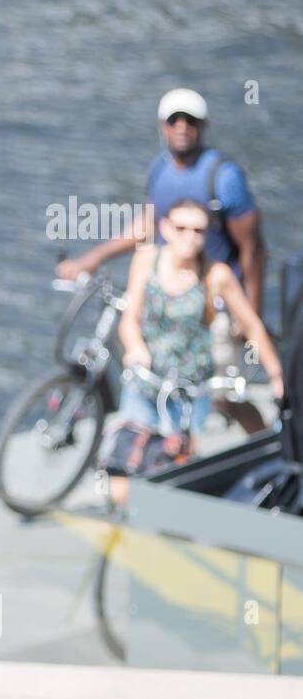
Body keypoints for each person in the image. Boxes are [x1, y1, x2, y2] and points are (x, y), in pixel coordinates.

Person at [58, 87, 269, 434]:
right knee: (154, 377)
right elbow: (147, 224)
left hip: (212, 304)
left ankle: (264, 444)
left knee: (221, 395)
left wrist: (251, 315)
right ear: (163, 126)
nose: (182, 127)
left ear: (204, 126)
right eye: (175, 120)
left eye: (191, 121)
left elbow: (253, 250)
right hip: (167, 297)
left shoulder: (224, 177)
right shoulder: (160, 168)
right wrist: (90, 260)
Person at [101, 199, 282, 506]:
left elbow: (252, 326)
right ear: (165, 228)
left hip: (188, 391)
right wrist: (135, 347)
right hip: (147, 382)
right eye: (180, 228)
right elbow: (129, 321)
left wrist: (277, 377)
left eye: (198, 230)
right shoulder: (147, 259)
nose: (189, 237)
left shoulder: (215, 275)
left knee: (171, 473)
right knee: (122, 469)